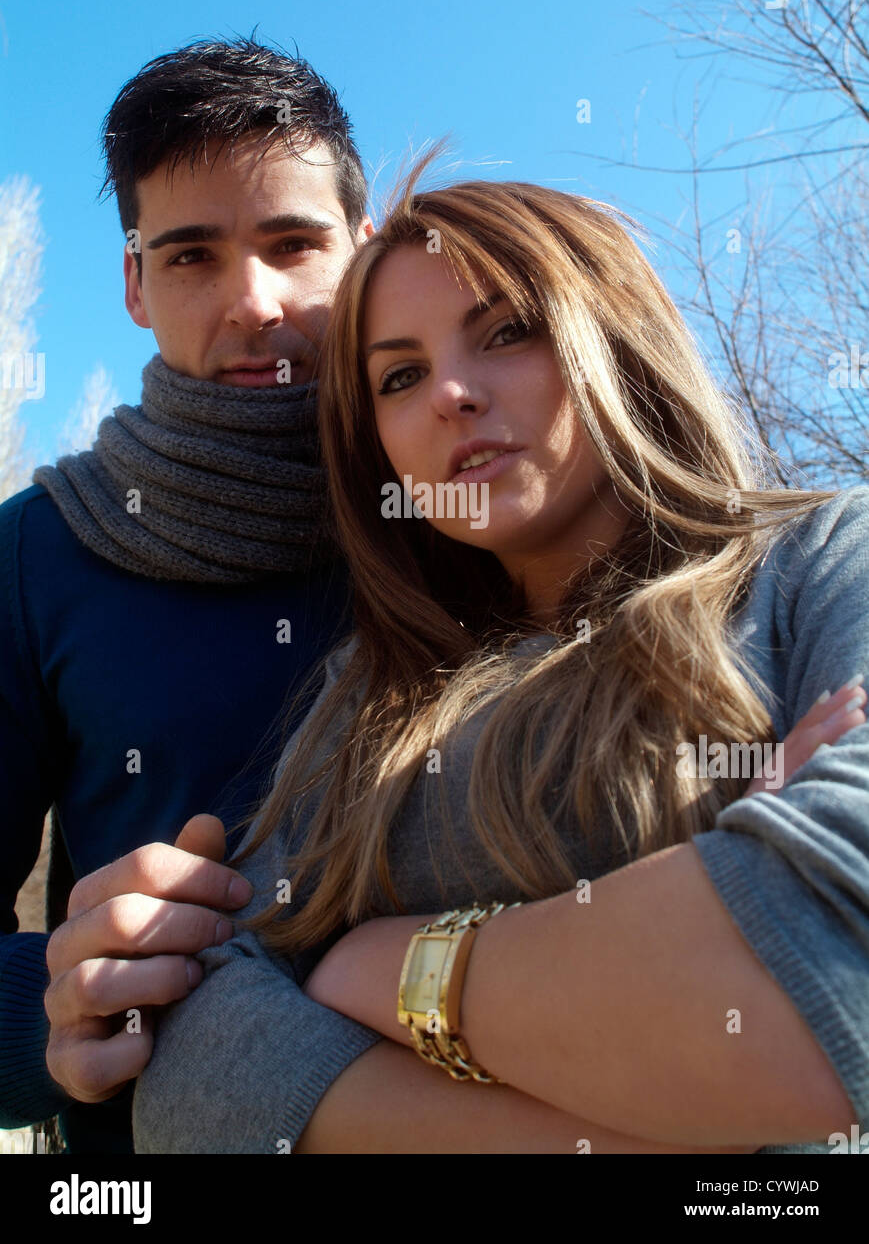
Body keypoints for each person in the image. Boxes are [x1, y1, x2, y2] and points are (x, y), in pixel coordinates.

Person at [131, 153, 869, 1154]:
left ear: (614, 333)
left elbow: (828, 981)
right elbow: (193, 1074)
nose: (449, 394)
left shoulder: (820, 564)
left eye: (507, 332)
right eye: (398, 375)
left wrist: (376, 966)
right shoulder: (370, 702)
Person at [0, 34, 375, 1154]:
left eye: (292, 244)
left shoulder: (477, 515)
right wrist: (44, 1018)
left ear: (362, 253)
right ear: (133, 283)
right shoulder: (36, 552)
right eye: (192, 256)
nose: (252, 302)